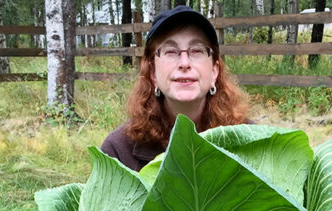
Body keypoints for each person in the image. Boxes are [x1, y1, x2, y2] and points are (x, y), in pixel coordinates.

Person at [101, 5, 250, 171]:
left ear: (214, 71)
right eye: (170, 51)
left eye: (196, 51)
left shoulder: (251, 144)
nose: (184, 63)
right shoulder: (118, 153)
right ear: (153, 73)